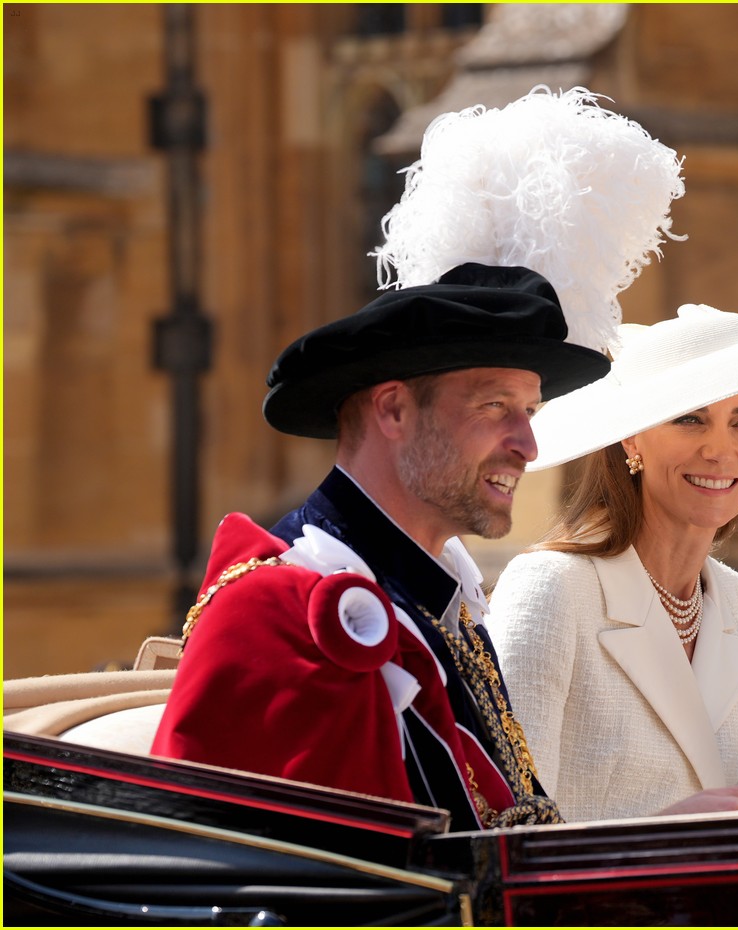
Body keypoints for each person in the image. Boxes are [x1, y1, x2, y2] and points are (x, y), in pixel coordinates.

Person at [153, 87, 687, 829]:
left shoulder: (445, 608)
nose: (528, 445)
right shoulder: (279, 613)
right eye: (495, 407)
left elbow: (501, 841)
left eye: (529, 412)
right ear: (394, 410)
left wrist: (673, 834)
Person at [489, 303, 738, 822]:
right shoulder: (551, 588)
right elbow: (505, 825)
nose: (720, 451)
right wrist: (659, 834)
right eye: (690, 418)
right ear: (631, 436)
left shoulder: (736, 602)